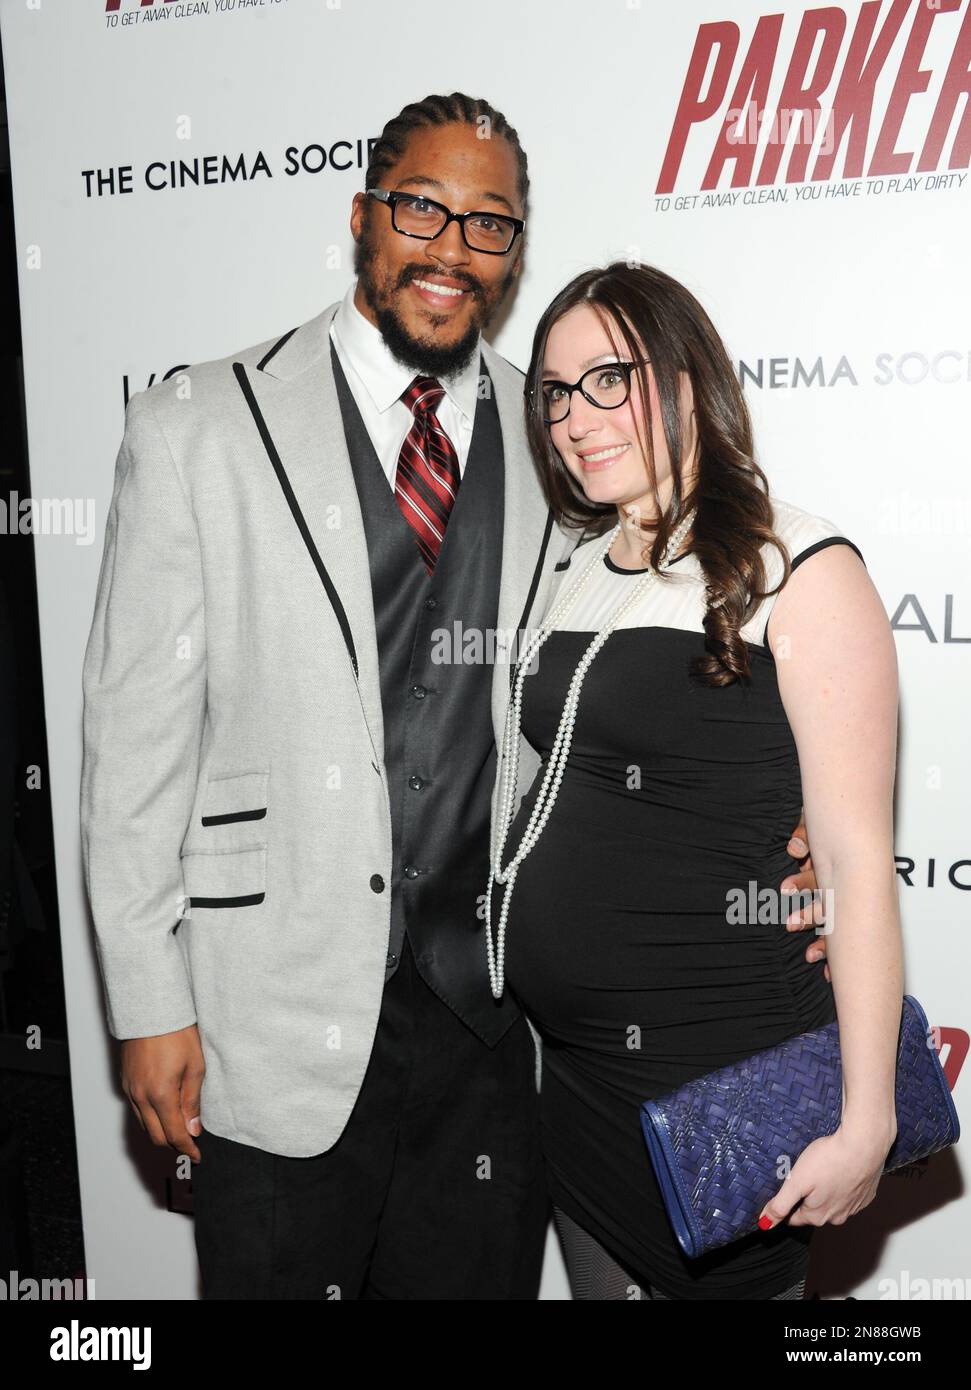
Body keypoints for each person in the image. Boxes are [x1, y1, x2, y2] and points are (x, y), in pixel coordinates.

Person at [79, 93, 828, 1302]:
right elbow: (132, 748)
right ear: (365, 215)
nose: (451, 246)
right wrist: (147, 1001)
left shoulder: (564, 437)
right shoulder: (199, 424)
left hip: (494, 1031)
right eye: (422, 206)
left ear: (514, 251)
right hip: (267, 1019)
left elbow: (656, 662)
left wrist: (781, 847)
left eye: (489, 223)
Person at [488, 261, 903, 1301]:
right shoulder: (578, 562)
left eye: (604, 379)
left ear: (682, 381)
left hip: (719, 1080)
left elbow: (851, 861)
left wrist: (866, 1119)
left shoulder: (800, 568)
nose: (571, 417)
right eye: (551, 391)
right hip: (575, 1085)